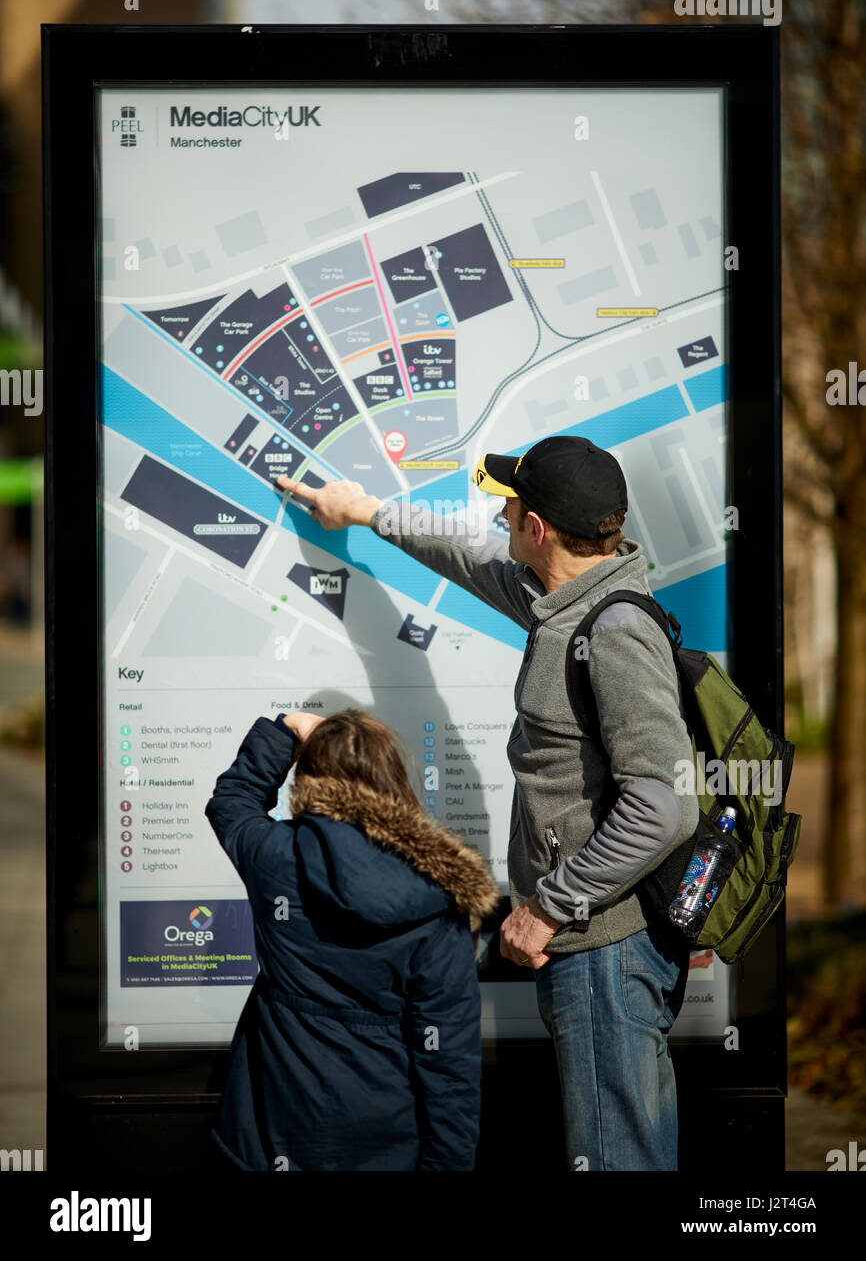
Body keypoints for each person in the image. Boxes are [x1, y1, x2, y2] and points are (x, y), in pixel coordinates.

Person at [277, 434, 698, 1172]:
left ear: (537, 528)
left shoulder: (614, 630)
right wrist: (367, 511)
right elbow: (470, 557)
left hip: (607, 954)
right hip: (595, 947)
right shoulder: (562, 599)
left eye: (510, 506)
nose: (500, 515)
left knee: (615, 1158)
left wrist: (551, 905)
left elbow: (665, 806)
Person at [205, 705, 499, 1171]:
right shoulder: (438, 900)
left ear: (310, 784)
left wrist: (287, 731)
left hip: (269, 1136)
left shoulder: (278, 859)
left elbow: (233, 800)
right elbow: (449, 1060)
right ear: (393, 784)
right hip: (385, 1143)